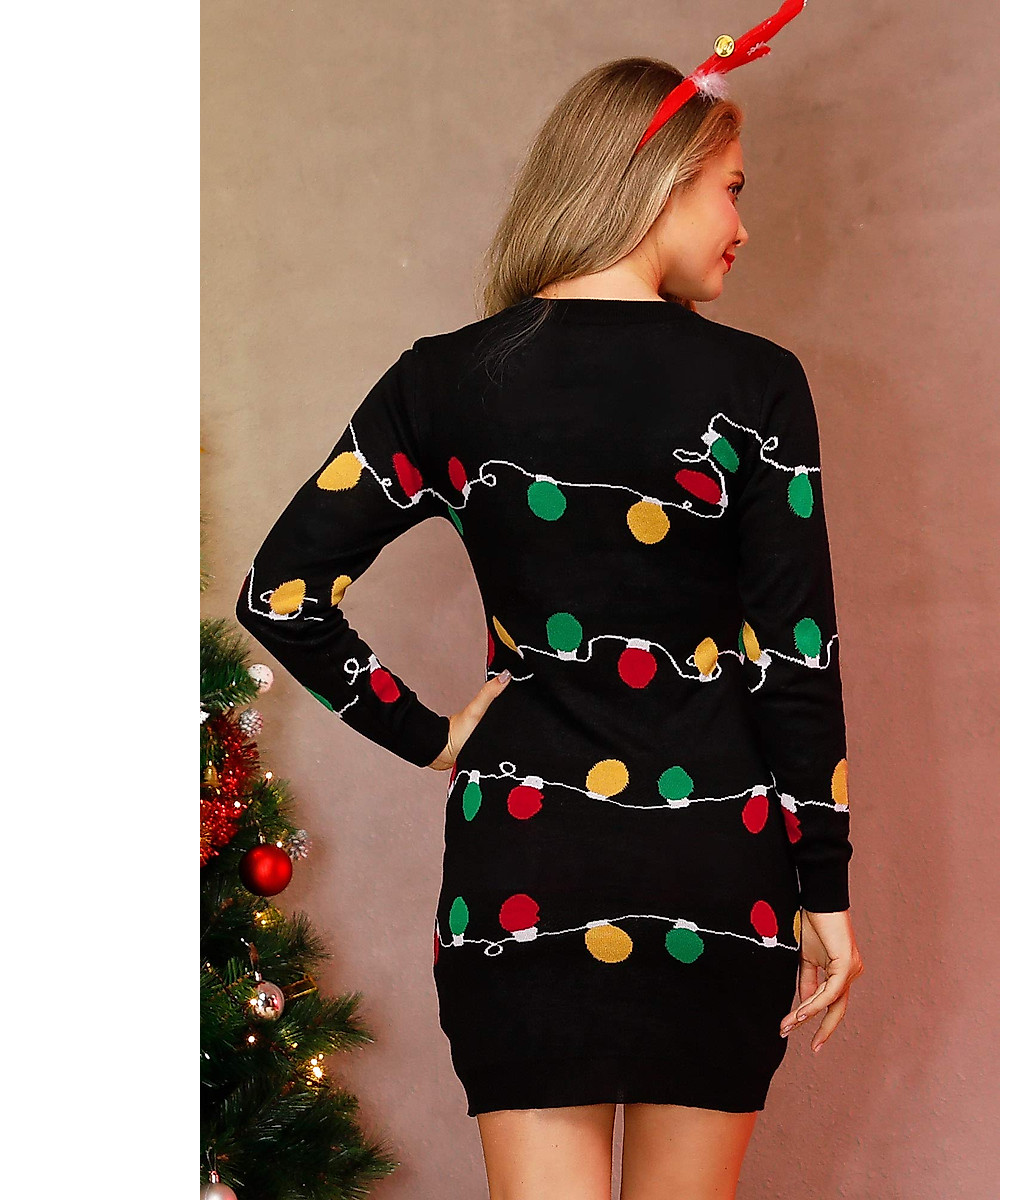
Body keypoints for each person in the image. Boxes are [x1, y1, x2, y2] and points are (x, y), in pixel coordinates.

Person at [235, 50, 864, 1200]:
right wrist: (824, 886)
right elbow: (796, 658)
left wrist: (431, 735)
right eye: (731, 190)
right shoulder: (757, 387)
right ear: (661, 180)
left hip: (524, 864)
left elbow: (280, 592)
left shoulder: (447, 380)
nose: (742, 226)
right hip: (714, 863)